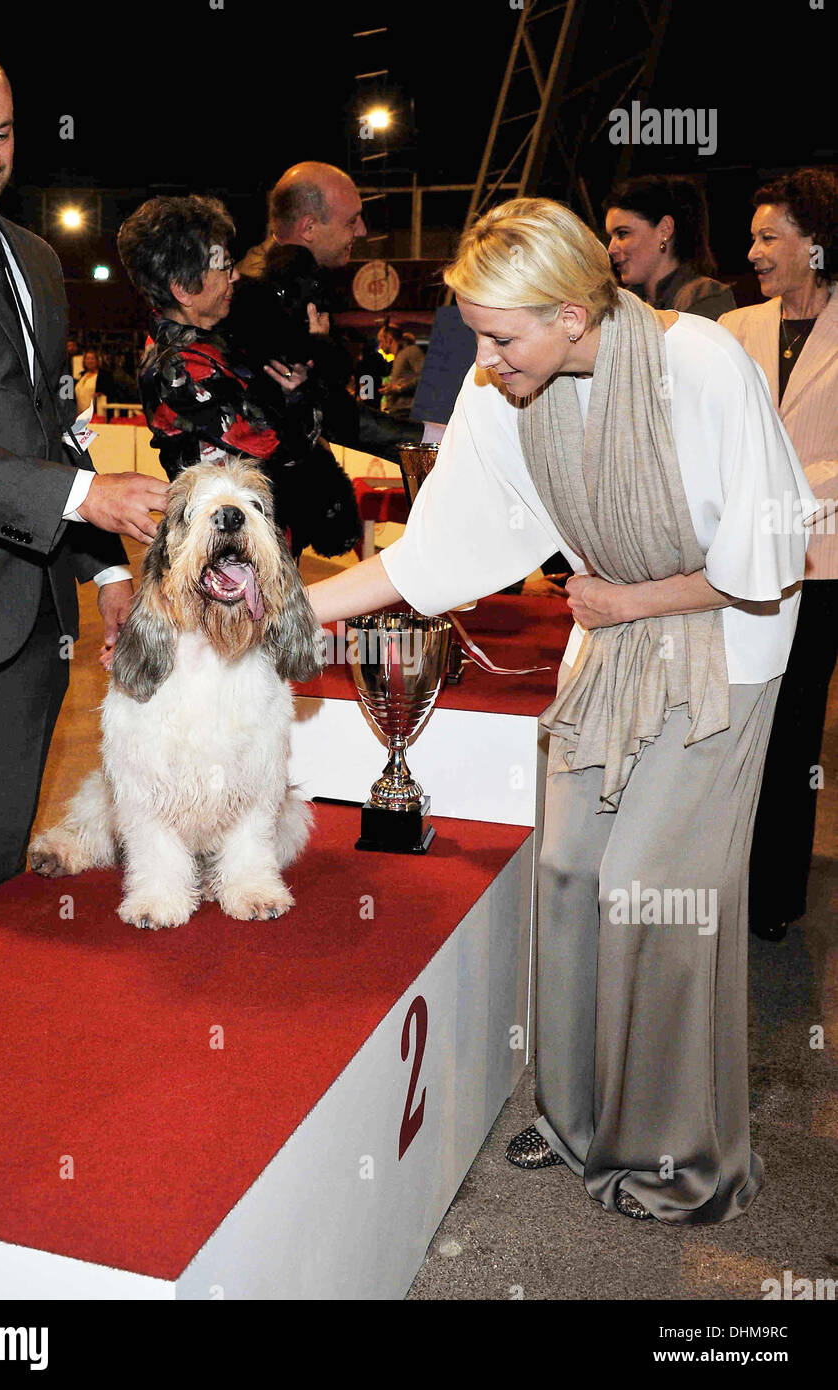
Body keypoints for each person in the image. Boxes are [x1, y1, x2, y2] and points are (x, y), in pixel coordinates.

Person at [307, 197, 816, 1225]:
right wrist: (281, 616)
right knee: (572, 869)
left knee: (649, 889)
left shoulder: (701, 365)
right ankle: (580, 1119)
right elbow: (428, 555)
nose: (481, 360)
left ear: (572, 317)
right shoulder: (510, 395)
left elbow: (763, 563)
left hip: (721, 651)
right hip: (607, 646)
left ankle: (676, 1155)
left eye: (497, 336)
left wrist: (631, 598)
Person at [0, 29, 165, 940]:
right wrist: (80, 500)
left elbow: (58, 424)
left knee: (0, 859)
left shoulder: (37, 258)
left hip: (39, 604)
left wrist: (105, 571)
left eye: (4, 134)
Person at [719, 167, 838, 942]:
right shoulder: (732, 330)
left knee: (795, 727)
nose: (754, 251)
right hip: (736, 561)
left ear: (815, 245)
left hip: (820, 563)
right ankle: (721, 884)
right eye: (755, 236)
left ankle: (772, 898)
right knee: (735, 720)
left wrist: (789, 486)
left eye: (769, 237)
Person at [117, 193, 361, 560]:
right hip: (225, 561)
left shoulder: (219, 338)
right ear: (184, 288)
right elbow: (281, 443)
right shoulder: (178, 367)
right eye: (223, 266)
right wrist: (307, 382)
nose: (235, 274)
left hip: (263, 544)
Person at [227, 161, 424, 461]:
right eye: (352, 221)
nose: (362, 231)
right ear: (308, 228)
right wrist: (427, 441)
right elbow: (329, 413)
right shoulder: (262, 294)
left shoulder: (294, 281)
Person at [603, 174, 736, 320]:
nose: (611, 249)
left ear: (665, 230)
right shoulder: (620, 306)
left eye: (622, 234)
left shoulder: (705, 297)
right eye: (611, 237)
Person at [378, 325, 425, 418]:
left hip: (407, 412)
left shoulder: (411, 351)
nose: (380, 346)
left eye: (381, 341)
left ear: (389, 339)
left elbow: (426, 377)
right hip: (399, 412)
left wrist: (399, 387)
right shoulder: (399, 356)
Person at [73, 348, 117, 415]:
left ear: (97, 361)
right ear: (84, 361)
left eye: (92, 359)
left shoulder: (105, 375)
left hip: (97, 414)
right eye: (87, 359)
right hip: (79, 414)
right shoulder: (80, 375)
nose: (90, 361)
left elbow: (111, 392)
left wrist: (101, 393)